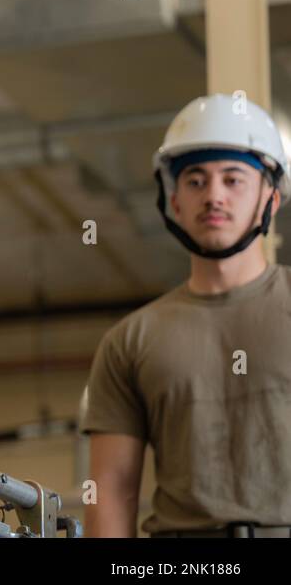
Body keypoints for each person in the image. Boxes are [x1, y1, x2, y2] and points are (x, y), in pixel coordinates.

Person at [83, 93, 291, 537]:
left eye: (233, 179)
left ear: (270, 200)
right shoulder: (129, 341)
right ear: (174, 202)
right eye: (195, 181)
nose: (214, 196)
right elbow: (112, 488)